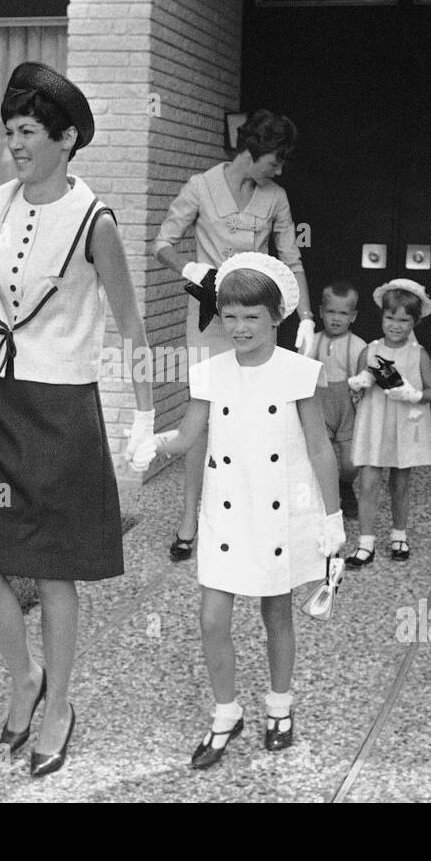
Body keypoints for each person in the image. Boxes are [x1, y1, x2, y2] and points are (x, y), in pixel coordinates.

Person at [0, 62, 156, 778]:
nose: (14, 145)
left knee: (55, 575)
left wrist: (145, 420)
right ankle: (24, 679)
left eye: (27, 132)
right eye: (9, 133)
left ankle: (59, 708)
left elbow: (131, 326)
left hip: (60, 411)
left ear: (65, 139)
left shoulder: (95, 222)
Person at [135, 251, 344, 770]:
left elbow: (320, 448)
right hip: (227, 507)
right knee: (211, 618)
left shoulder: (299, 373)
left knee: (276, 613)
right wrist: (151, 444)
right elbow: (188, 438)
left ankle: (280, 707)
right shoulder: (210, 373)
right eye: (230, 316)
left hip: (276, 507)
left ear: (276, 317)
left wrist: (333, 518)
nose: (240, 327)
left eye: (252, 316)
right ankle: (226, 712)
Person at [151, 110, 316, 563]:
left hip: (257, 318)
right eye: (275, 160)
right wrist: (186, 266)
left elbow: (291, 257)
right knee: (202, 413)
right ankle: (190, 519)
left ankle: (251, 516)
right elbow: (162, 241)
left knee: (255, 415)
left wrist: (305, 316)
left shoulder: (275, 197)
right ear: (252, 150)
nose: (279, 170)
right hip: (209, 317)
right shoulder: (200, 186)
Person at [344, 279, 431, 567]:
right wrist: (358, 385)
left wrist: (415, 394)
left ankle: (399, 534)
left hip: (403, 424)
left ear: (414, 322)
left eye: (403, 320)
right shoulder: (370, 352)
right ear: (381, 316)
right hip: (375, 422)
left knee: (400, 482)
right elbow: (359, 384)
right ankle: (366, 542)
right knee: (369, 481)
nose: (395, 325)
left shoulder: (418, 354)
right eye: (390, 318)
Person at [304, 280, 368, 516]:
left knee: (351, 463)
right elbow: (303, 374)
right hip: (320, 406)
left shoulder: (359, 346)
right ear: (321, 312)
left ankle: (345, 484)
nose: (336, 318)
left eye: (343, 313)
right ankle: (326, 497)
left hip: (347, 409)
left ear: (353, 316)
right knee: (322, 456)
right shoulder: (313, 342)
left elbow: (364, 380)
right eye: (331, 311)